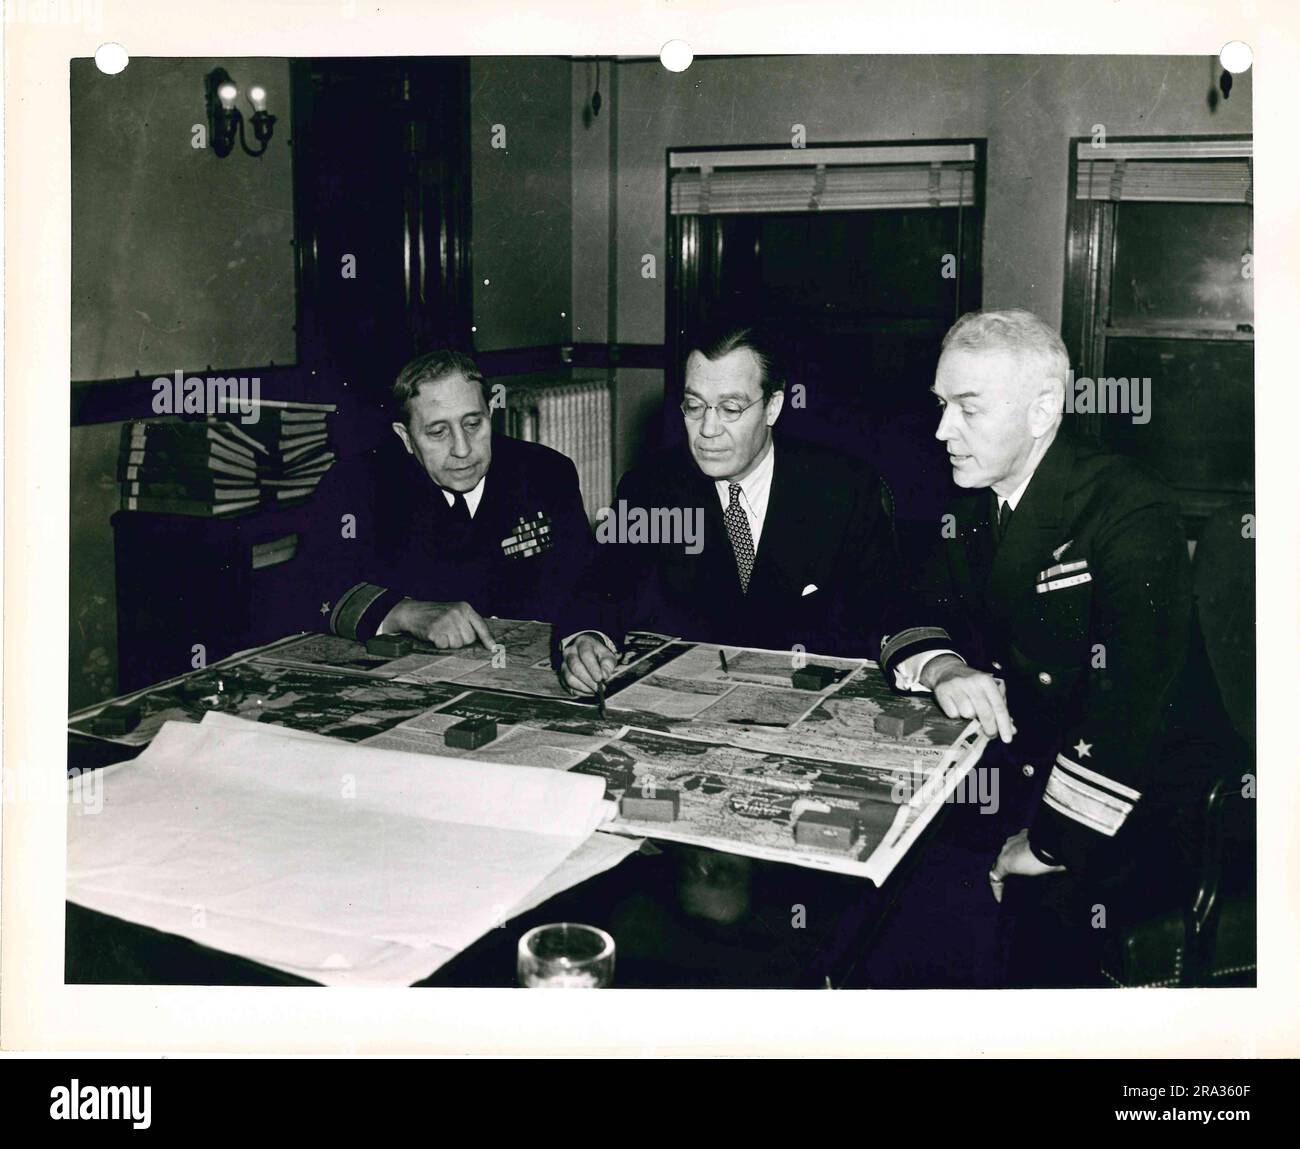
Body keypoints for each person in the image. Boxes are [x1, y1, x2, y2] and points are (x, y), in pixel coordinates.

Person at [867, 308, 1232, 987]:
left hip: (1146, 802)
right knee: (898, 886)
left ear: (1042, 412)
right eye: (941, 406)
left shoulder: (1128, 508)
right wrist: (945, 665)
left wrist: (1042, 845)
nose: (943, 431)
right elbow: (904, 609)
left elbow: (1129, 705)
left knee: (1029, 936)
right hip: (1029, 765)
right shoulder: (972, 496)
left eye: (968, 409)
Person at [558, 324, 898, 693]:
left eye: (731, 408)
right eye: (694, 406)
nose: (707, 429)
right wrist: (587, 638)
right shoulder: (652, 488)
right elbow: (604, 583)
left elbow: (884, 611)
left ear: (773, 407)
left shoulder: (843, 489)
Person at [298, 349, 596, 649]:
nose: (463, 449)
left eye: (473, 424)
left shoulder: (545, 474)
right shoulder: (357, 485)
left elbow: (588, 582)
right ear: (405, 437)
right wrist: (404, 613)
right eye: (438, 432)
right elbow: (315, 587)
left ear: (490, 415)